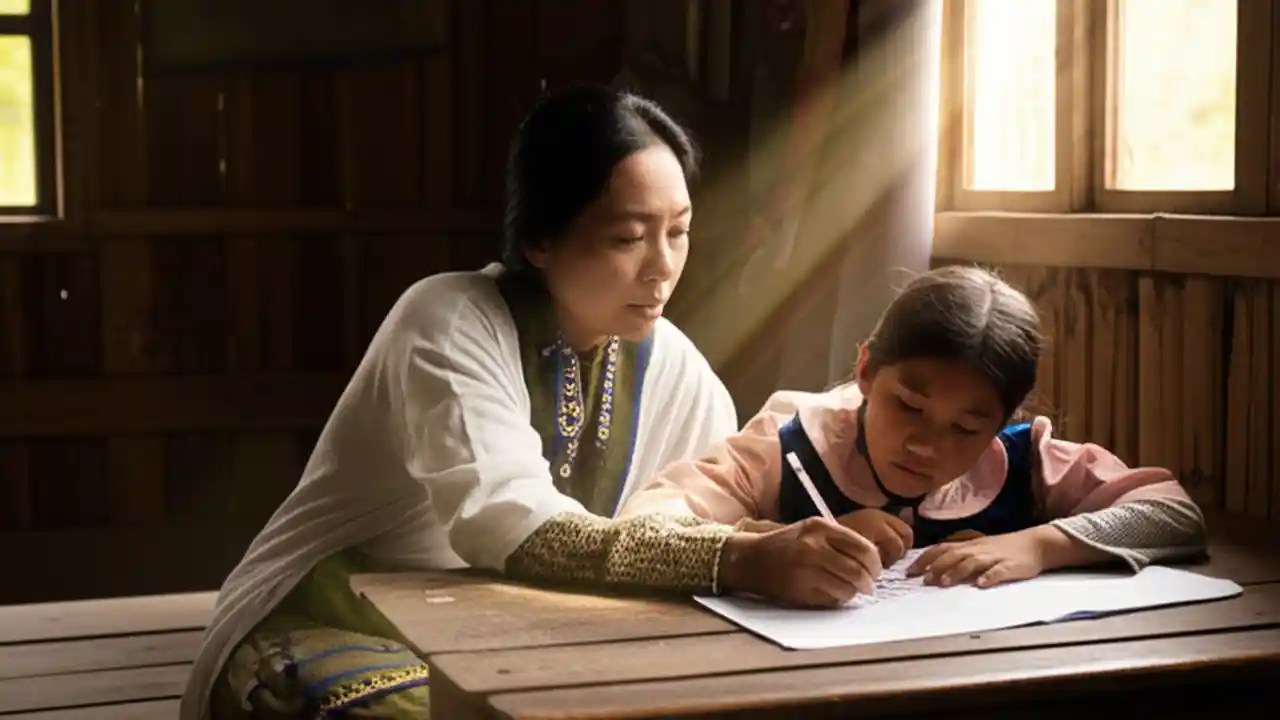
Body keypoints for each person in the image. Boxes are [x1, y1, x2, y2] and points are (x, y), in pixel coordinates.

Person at [184, 85, 882, 719]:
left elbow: (688, 518)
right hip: (338, 610)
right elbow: (515, 528)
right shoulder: (447, 321)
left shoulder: (676, 369)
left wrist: (810, 543)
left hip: (518, 627)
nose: (663, 266)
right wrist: (742, 558)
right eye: (628, 238)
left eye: (679, 231)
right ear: (539, 239)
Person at [623, 265, 1207, 603]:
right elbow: (644, 526)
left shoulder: (1023, 459)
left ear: (1001, 422)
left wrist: (1039, 546)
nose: (926, 445)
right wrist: (773, 540)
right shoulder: (789, 447)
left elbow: (1173, 514)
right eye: (908, 406)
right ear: (866, 370)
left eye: (966, 428)